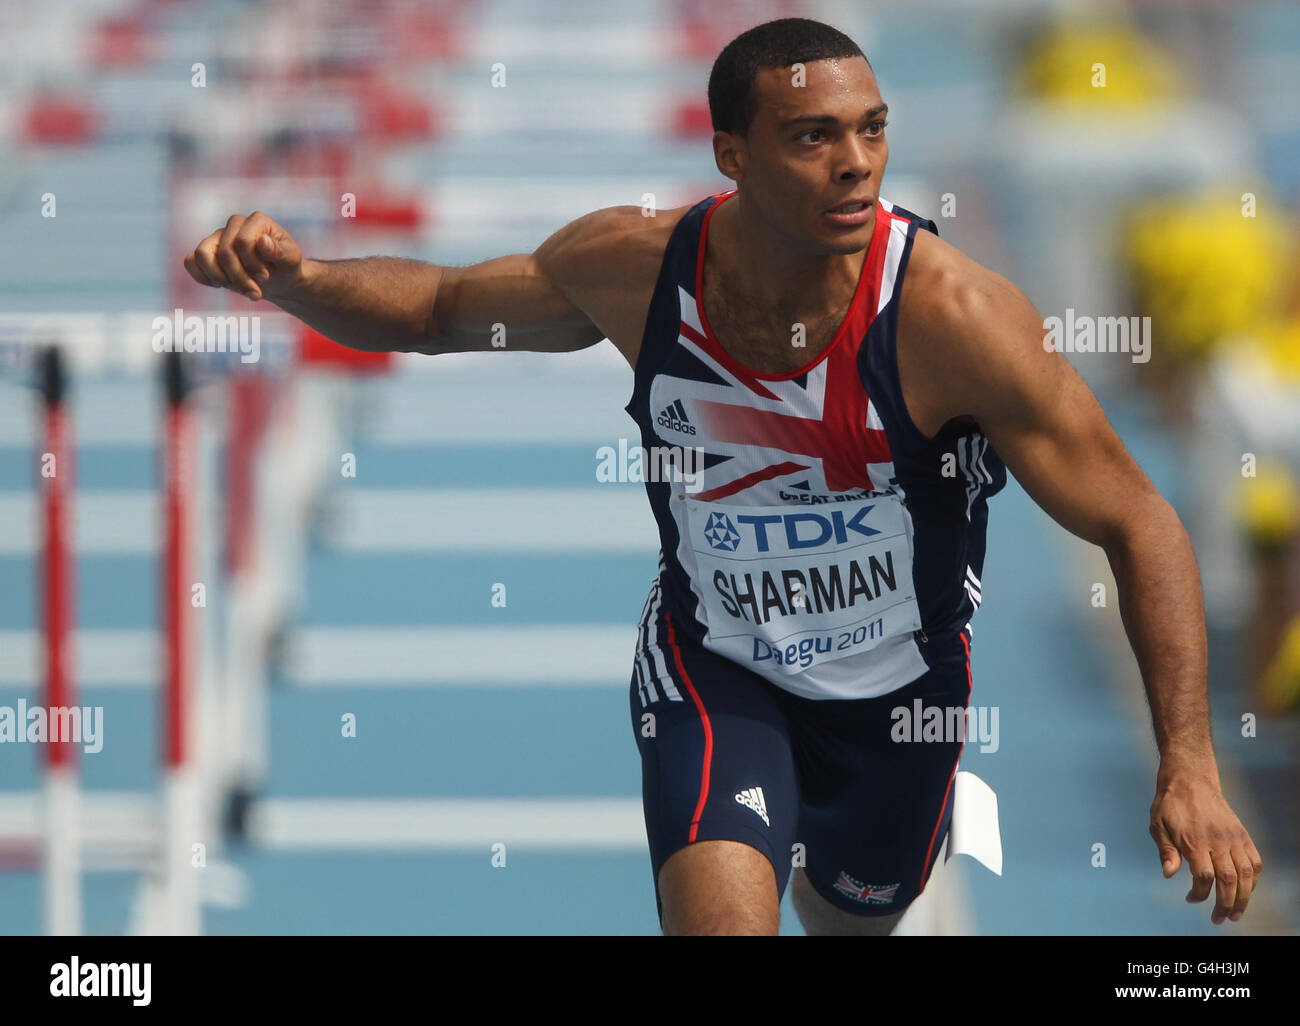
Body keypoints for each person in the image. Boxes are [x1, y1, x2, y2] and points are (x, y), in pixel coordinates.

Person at [182, 17, 1263, 936]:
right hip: (717, 670)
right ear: (731, 155)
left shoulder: (955, 321)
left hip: (901, 701)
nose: (854, 162)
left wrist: (1189, 764)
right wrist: (297, 277)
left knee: (852, 915)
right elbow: (436, 311)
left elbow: (1137, 518)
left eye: (871, 130)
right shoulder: (637, 269)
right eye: (812, 137)